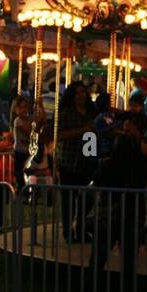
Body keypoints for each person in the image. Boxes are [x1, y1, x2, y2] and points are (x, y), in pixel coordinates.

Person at [87, 129, 147, 292]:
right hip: (133, 215)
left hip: (109, 216)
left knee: (98, 261)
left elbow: (97, 182)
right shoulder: (142, 165)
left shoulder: (107, 165)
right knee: (129, 264)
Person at [54, 82, 95, 239]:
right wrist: (81, 131)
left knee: (87, 198)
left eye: (83, 92)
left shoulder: (91, 113)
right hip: (69, 160)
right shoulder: (65, 113)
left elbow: (93, 136)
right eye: (78, 93)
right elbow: (60, 135)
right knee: (68, 199)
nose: (81, 96)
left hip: (87, 159)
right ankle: (67, 230)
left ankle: (81, 227)